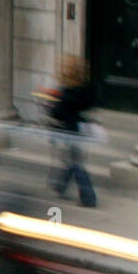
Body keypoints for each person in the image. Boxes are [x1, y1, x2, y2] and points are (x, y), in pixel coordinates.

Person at [48, 54, 97, 208]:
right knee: (71, 159)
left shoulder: (66, 92)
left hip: (69, 130)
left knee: (76, 164)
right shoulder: (85, 88)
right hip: (80, 128)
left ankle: (88, 197)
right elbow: (90, 104)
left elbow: (57, 113)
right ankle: (60, 186)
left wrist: (51, 104)